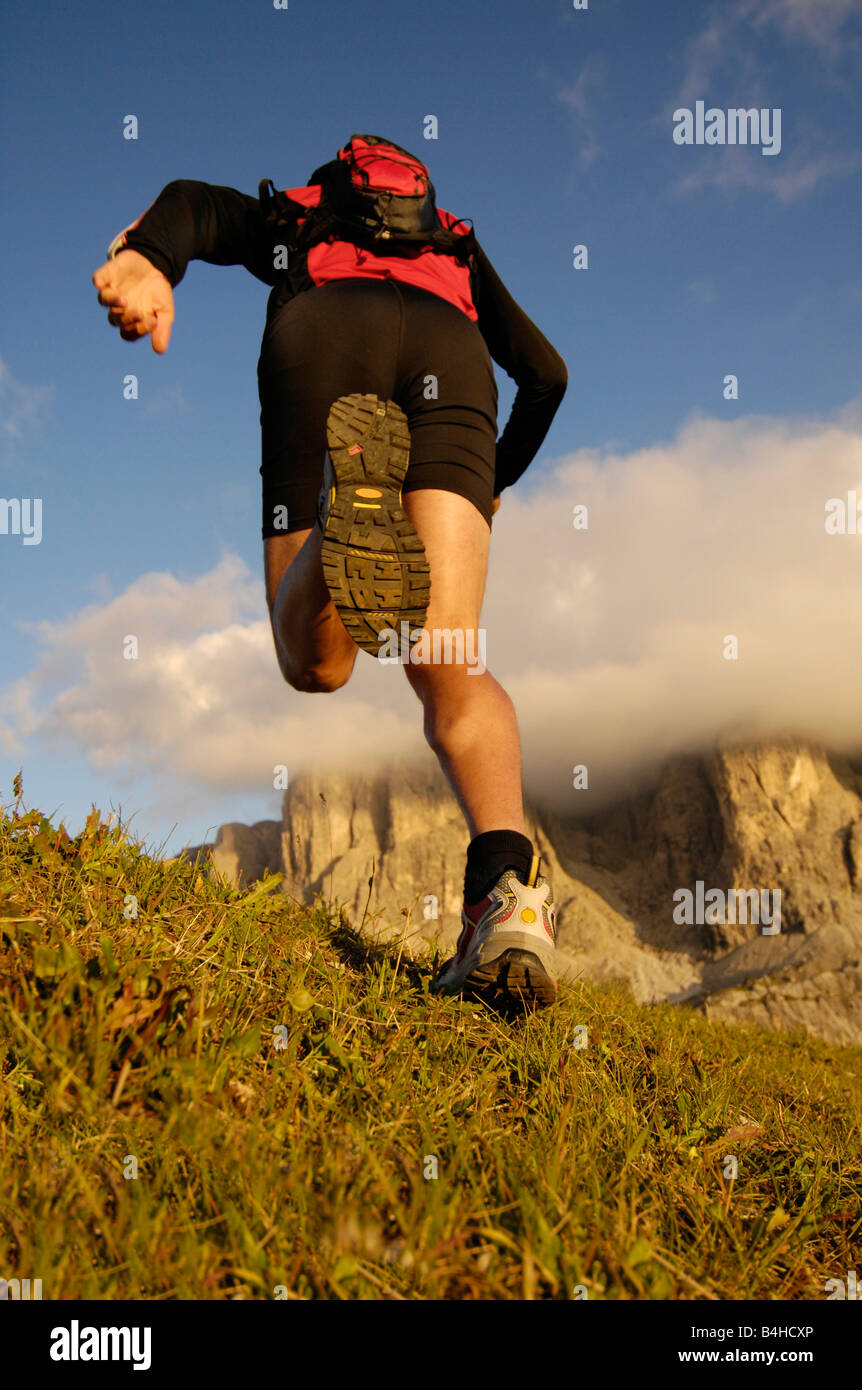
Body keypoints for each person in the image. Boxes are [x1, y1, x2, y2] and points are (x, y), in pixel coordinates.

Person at [92, 133, 568, 1008]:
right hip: (452, 364)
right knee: (451, 664)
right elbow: (545, 375)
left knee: (314, 664)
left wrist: (149, 260)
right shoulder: (453, 248)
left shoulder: (301, 224)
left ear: (335, 187)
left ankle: (343, 513)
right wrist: (486, 483)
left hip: (326, 334)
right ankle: (507, 904)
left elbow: (195, 202)